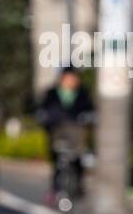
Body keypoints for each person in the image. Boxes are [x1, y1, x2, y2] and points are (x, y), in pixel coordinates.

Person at [35, 67, 96, 204]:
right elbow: (42, 110)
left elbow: (90, 110)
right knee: (57, 162)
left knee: (78, 159)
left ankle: (78, 186)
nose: (71, 81)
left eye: (73, 78)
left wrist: (87, 117)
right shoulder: (51, 93)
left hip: (76, 134)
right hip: (57, 132)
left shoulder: (82, 94)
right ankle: (56, 189)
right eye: (68, 77)